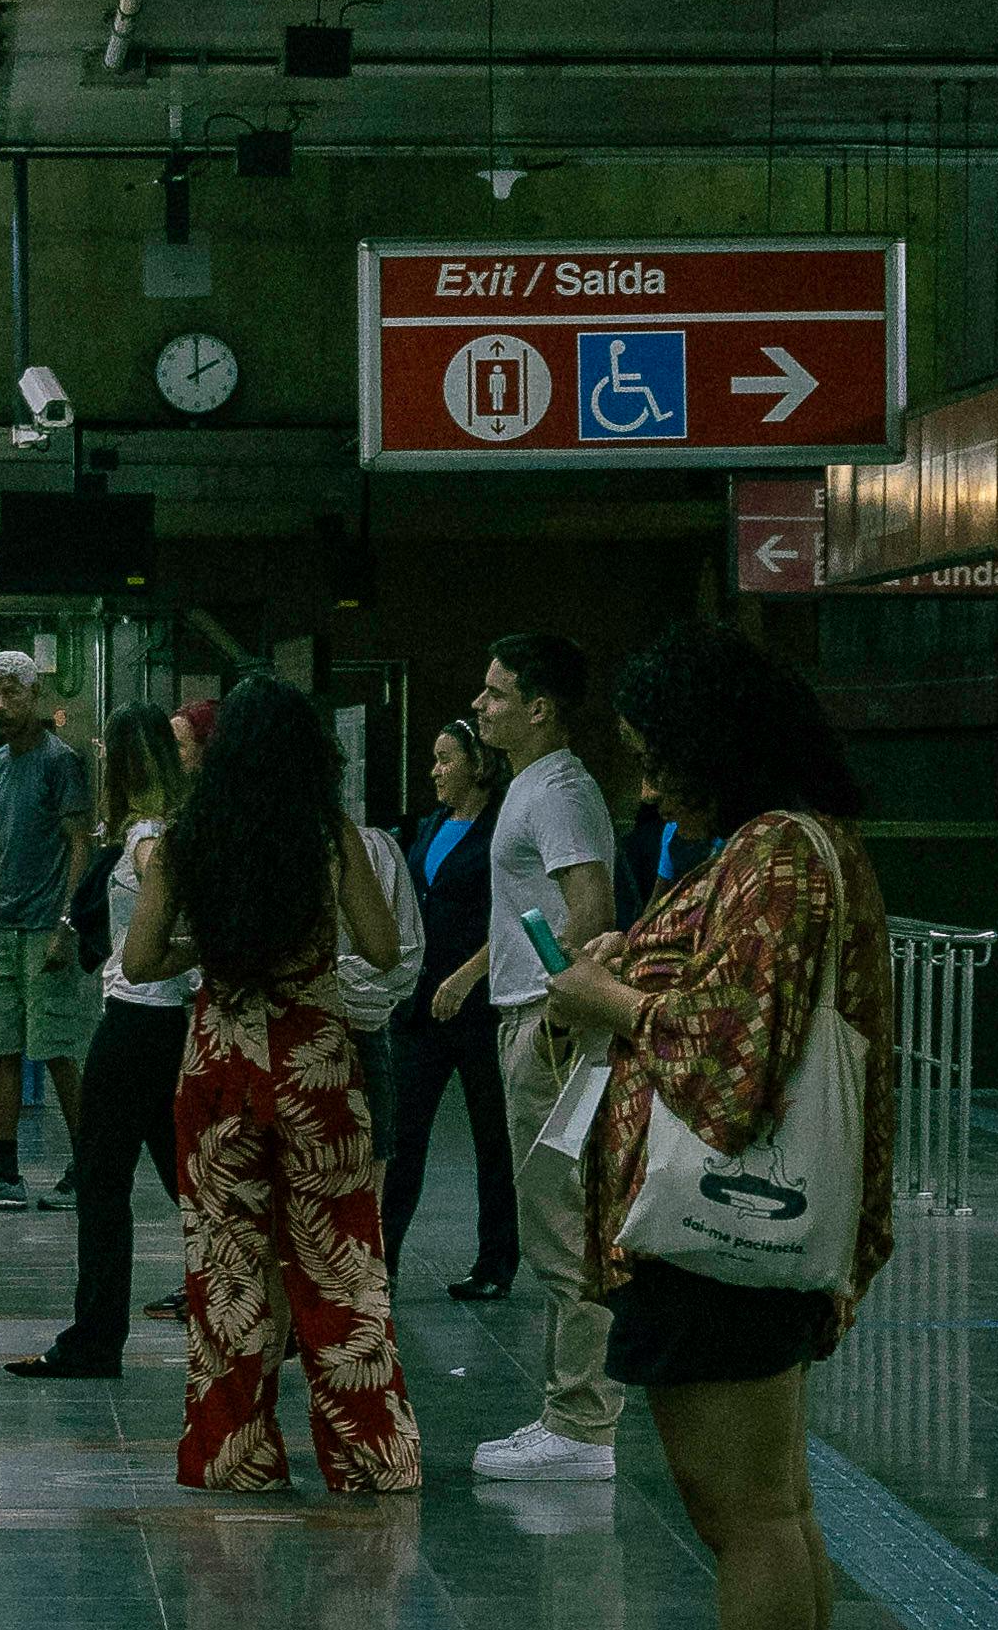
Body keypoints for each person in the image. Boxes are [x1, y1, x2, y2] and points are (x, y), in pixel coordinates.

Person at [546, 623, 899, 1630]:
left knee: (743, 1514)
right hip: (752, 1233)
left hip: (723, 1228)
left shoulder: (776, 857)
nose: (648, 788)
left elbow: (731, 1052)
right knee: (778, 1513)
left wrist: (609, 999)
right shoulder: (790, 847)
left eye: (658, 760)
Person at [118, 680, 424, 1494]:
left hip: (218, 1069)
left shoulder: (186, 839)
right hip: (314, 1065)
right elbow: (384, 948)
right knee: (341, 1264)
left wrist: (210, 953)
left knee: (226, 1270)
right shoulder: (328, 836)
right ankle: (370, 1457)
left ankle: (234, 1455)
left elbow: (141, 961)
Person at [463, 634, 627, 1483]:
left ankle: (582, 1423)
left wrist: (558, 1013)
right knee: (550, 1219)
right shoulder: (530, 785)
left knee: (564, 1223)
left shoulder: (558, 789)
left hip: (548, 1019)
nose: (481, 705)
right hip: (527, 1012)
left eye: (496, 694)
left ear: (541, 707)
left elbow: (589, 908)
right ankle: (568, 1408)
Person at [10, 707, 193, 1379]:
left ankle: (94, 1339)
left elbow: (176, 914)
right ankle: (263, 1299)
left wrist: (167, 958)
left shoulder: (146, 837)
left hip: (137, 1021)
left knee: (100, 1180)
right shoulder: (166, 828)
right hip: (161, 1025)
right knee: (184, 1178)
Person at [379, 721, 516, 1293]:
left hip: (479, 1002)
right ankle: (381, 1261)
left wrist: (465, 977)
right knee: (402, 1135)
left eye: (445, 760)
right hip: (421, 1005)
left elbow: (510, 914)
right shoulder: (431, 826)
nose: (435, 771)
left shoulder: (501, 831)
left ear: (477, 766)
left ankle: (495, 1263)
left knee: (493, 1136)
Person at [0, 652, 99, 1204]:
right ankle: (5, 1172)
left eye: (12, 694)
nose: (1, 705)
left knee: (57, 1047)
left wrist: (66, 927)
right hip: (1, 926)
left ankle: (88, 1167)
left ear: (34, 696)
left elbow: (79, 847)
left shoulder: (59, 762)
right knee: (0, 1047)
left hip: (46, 926)